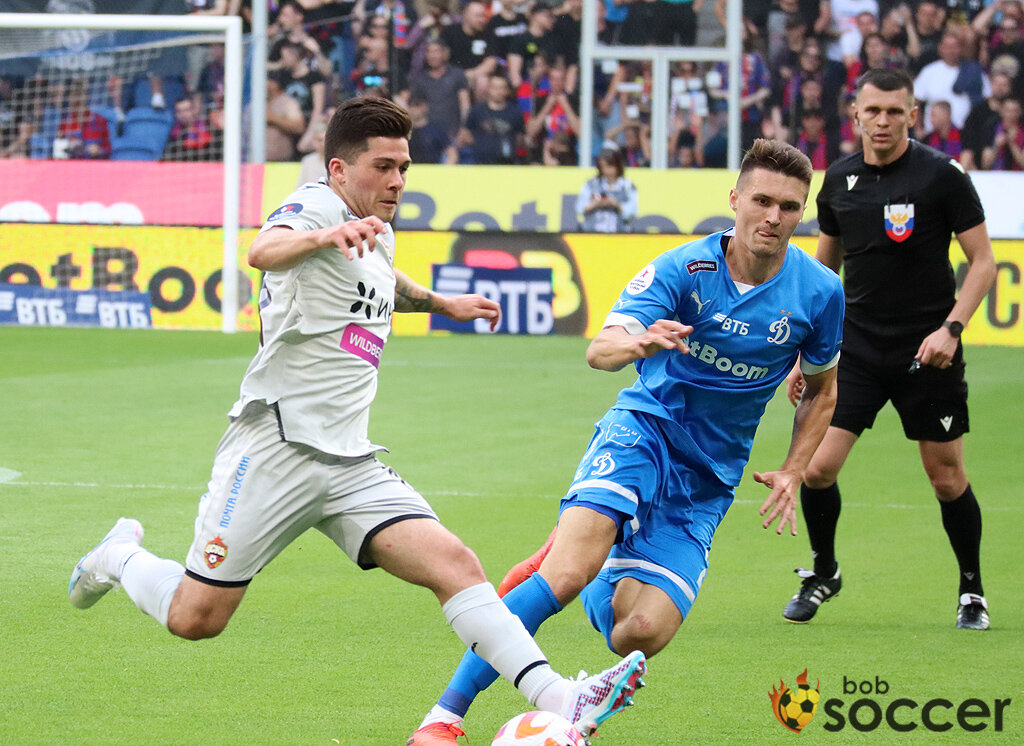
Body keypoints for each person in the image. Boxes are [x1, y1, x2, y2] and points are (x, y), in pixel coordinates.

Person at [67, 97, 647, 737]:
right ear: (340, 168)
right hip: (275, 447)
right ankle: (118, 556)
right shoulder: (317, 205)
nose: (398, 180)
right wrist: (324, 233)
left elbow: (385, 280)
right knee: (195, 618)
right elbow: (264, 249)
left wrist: (443, 303)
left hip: (350, 463)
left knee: (456, 565)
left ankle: (560, 698)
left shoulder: (377, 227)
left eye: (405, 166)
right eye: (383, 166)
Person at [407, 137, 846, 745]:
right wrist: (642, 342)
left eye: (790, 207)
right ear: (735, 199)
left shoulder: (820, 292)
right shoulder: (680, 269)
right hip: (643, 430)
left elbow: (823, 388)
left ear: (803, 213)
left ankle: (599, 554)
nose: (773, 217)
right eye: (762, 200)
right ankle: (444, 717)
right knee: (563, 574)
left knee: (638, 633)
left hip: (707, 479)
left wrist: (797, 467)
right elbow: (600, 349)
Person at [781, 67, 996, 630]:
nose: (882, 121)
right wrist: (804, 353)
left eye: (894, 112)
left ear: (913, 114)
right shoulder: (838, 181)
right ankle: (823, 571)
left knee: (945, 477)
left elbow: (983, 263)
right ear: (854, 113)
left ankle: (971, 590)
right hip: (855, 349)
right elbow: (825, 272)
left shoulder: (942, 177)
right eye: (872, 111)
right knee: (817, 469)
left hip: (928, 349)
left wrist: (951, 328)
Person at [575, 147, 638, 232]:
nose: (606, 171)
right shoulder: (591, 184)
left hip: (619, 234)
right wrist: (595, 203)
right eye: (602, 167)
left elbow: (632, 212)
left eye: (609, 167)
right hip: (592, 233)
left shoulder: (627, 186)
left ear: (618, 165)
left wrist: (616, 204)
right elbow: (580, 208)